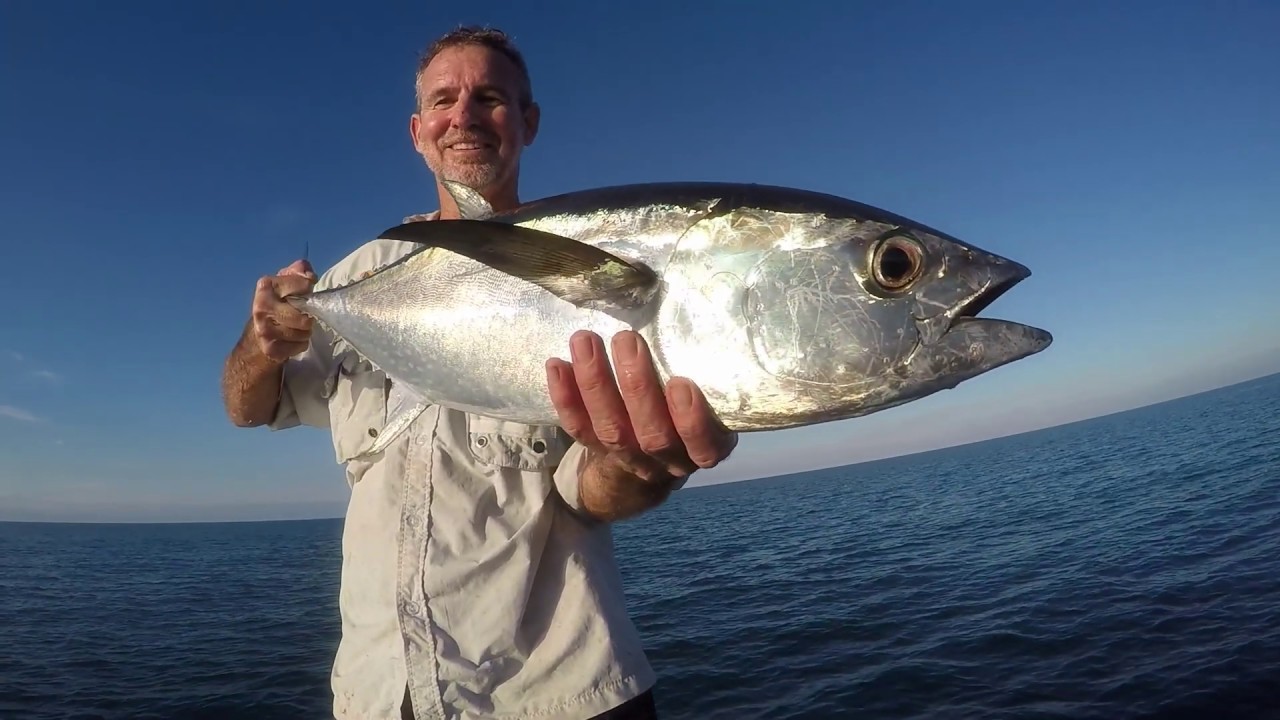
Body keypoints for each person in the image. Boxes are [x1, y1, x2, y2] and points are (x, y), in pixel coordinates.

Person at [220, 25, 738, 720]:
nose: (462, 115)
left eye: (489, 97)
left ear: (528, 121)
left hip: (556, 695)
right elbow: (248, 408)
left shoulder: (586, 267)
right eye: (444, 100)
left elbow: (590, 496)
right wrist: (261, 343)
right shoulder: (357, 277)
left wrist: (636, 461)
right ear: (417, 130)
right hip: (378, 696)